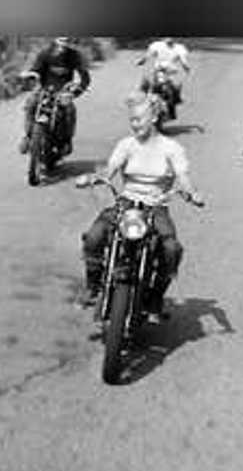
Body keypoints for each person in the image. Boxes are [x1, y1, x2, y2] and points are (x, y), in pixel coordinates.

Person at [74, 96, 206, 320]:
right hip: (126, 204)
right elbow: (110, 171)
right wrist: (93, 178)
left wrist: (192, 193)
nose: (135, 125)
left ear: (154, 118)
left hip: (156, 207)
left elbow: (183, 177)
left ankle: (155, 297)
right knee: (94, 238)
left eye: (139, 120)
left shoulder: (171, 148)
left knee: (172, 249)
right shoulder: (127, 145)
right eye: (132, 121)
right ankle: (93, 286)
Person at [21, 36, 92, 157]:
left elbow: (85, 78)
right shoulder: (45, 53)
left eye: (67, 39)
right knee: (30, 103)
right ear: (55, 39)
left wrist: (74, 93)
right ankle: (28, 136)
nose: (64, 42)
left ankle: (66, 141)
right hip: (44, 89)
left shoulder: (74, 55)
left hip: (64, 91)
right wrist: (29, 75)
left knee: (69, 110)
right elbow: (36, 70)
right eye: (61, 39)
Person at [136, 38, 192, 107]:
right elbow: (148, 56)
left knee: (176, 85)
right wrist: (142, 61)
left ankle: (175, 98)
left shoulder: (180, 48)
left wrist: (186, 67)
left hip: (170, 71)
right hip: (158, 69)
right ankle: (147, 97)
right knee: (148, 82)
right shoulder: (156, 45)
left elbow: (183, 61)